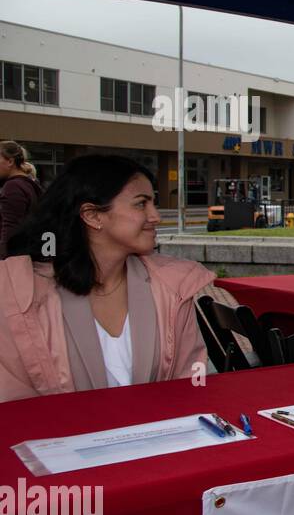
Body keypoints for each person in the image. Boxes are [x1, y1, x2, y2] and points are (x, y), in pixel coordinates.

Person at [0, 154, 214, 401]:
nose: (156, 216)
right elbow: (12, 406)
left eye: (153, 203)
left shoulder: (174, 286)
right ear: (92, 215)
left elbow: (190, 382)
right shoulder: (18, 295)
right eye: (141, 203)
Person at [0, 140, 42, 259]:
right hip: (28, 254)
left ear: (10, 161)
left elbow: (10, 229)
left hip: (13, 259)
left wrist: (3, 260)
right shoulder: (29, 184)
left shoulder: (13, 186)